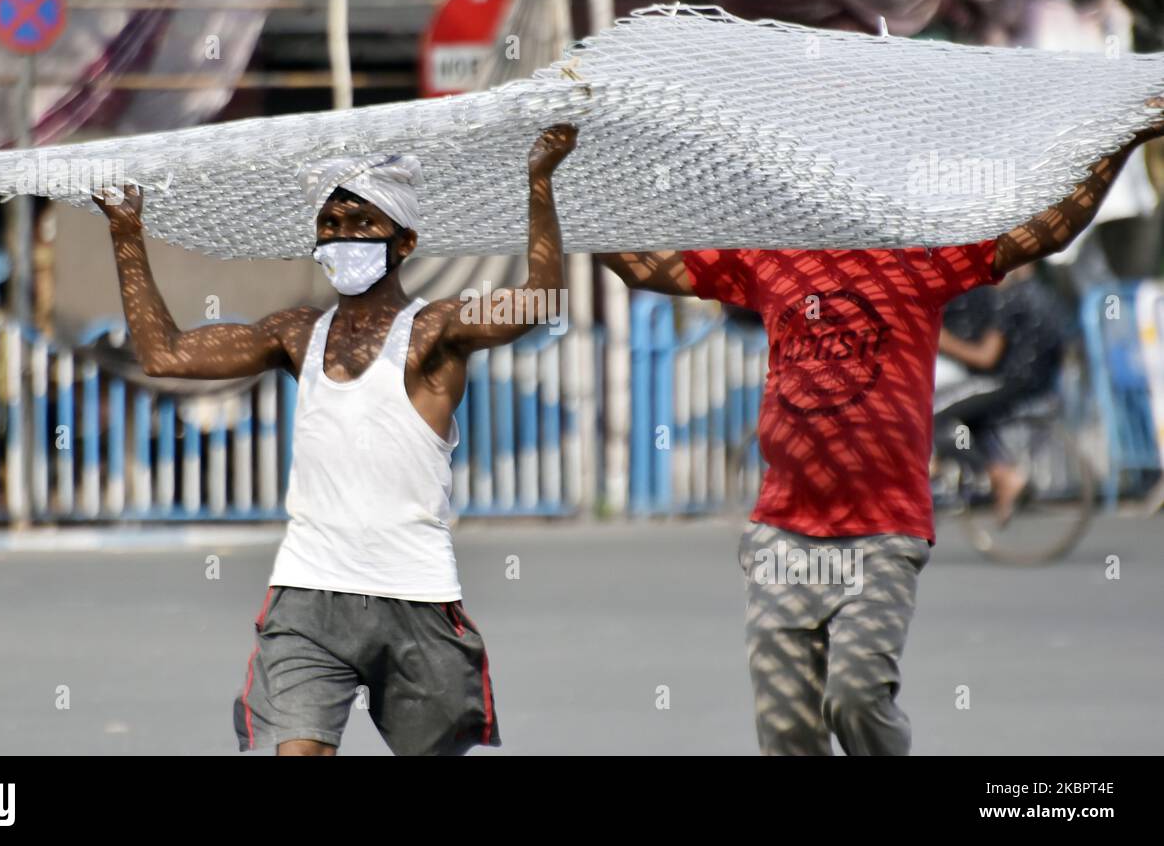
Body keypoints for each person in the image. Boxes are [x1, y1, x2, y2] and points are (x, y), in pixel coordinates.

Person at [598, 104, 1164, 756]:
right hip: (782, 531)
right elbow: (641, 266)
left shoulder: (919, 258)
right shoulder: (770, 259)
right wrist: (572, 182)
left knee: (857, 696)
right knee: (786, 733)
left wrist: (1120, 144)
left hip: (882, 528)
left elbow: (1043, 234)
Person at [92, 123, 577, 756]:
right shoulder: (298, 334)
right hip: (308, 592)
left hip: (416, 597)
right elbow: (164, 355)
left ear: (404, 242)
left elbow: (540, 303)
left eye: (360, 222)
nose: (343, 236)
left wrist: (539, 184)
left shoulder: (434, 330)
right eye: (331, 223)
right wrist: (126, 232)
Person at [934, 265, 1069, 517]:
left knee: (936, 420)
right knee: (971, 419)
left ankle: (1001, 475)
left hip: (1007, 381)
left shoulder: (1011, 298)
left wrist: (944, 341)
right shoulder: (1047, 295)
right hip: (1037, 382)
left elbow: (986, 357)